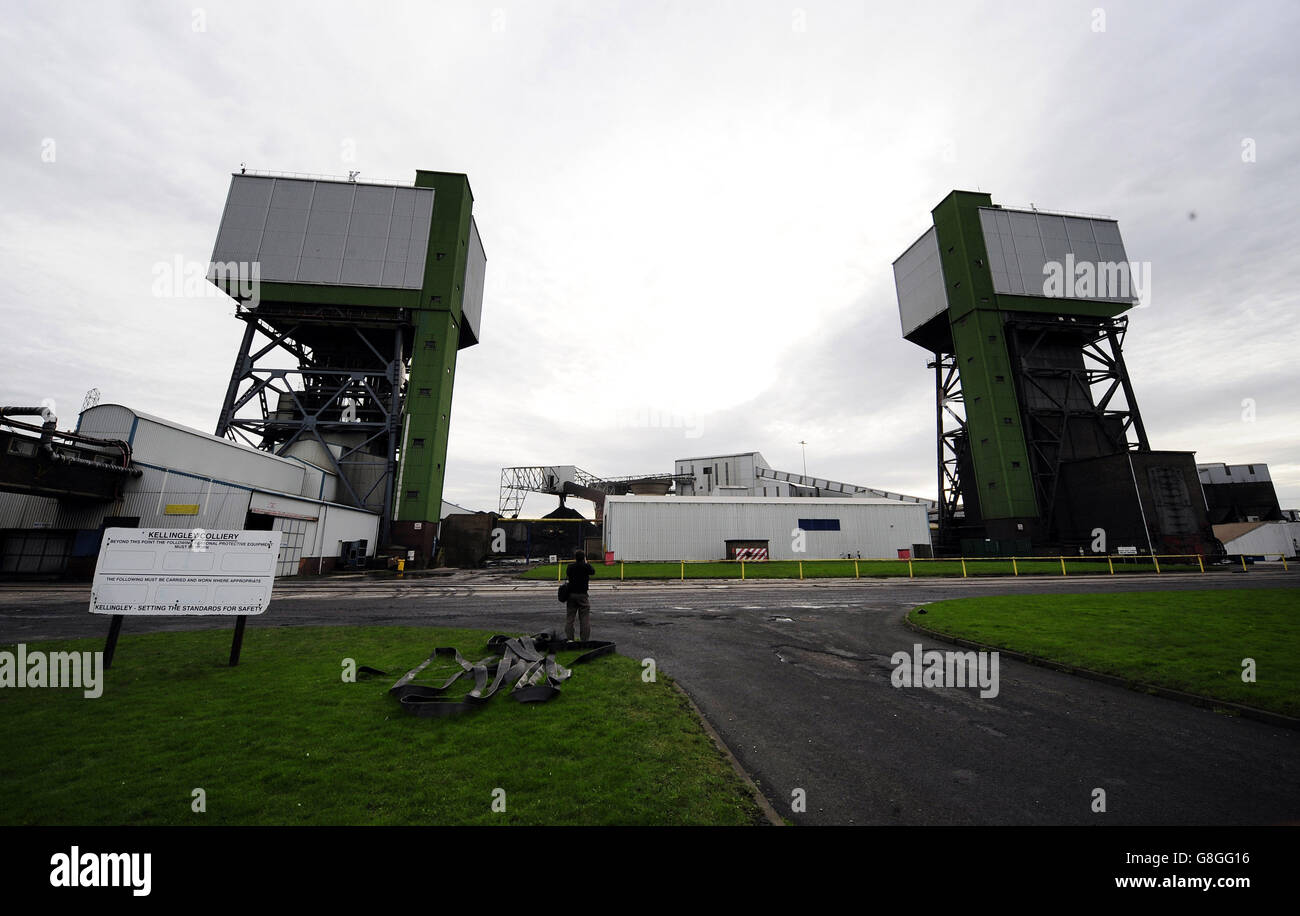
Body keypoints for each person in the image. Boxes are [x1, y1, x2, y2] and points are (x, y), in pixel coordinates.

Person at [565, 550, 596, 642]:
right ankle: (584, 640)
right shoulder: (586, 567)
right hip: (582, 594)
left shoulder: (570, 567)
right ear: (584, 557)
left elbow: (568, 574)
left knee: (570, 618)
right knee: (584, 619)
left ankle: (570, 639)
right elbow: (593, 572)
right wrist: (586, 563)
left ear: (575, 557)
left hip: (571, 595)